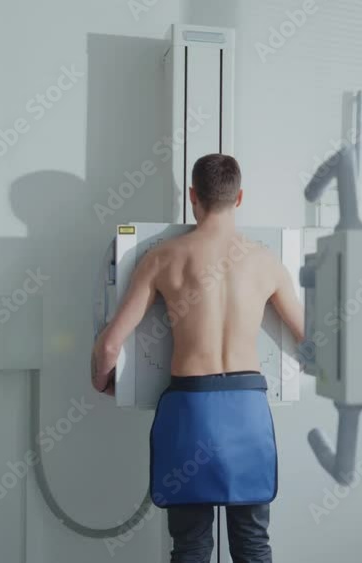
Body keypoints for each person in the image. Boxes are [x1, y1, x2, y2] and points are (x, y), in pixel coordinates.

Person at [90, 153, 304, 563]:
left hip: (190, 409)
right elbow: (313, 345)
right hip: (247, 409)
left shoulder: (163, 258)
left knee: (190, 546)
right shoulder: (266, 262)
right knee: (253, 544)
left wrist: (102, 382)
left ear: (193, 196)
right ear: (239, 197)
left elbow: (110, 346)